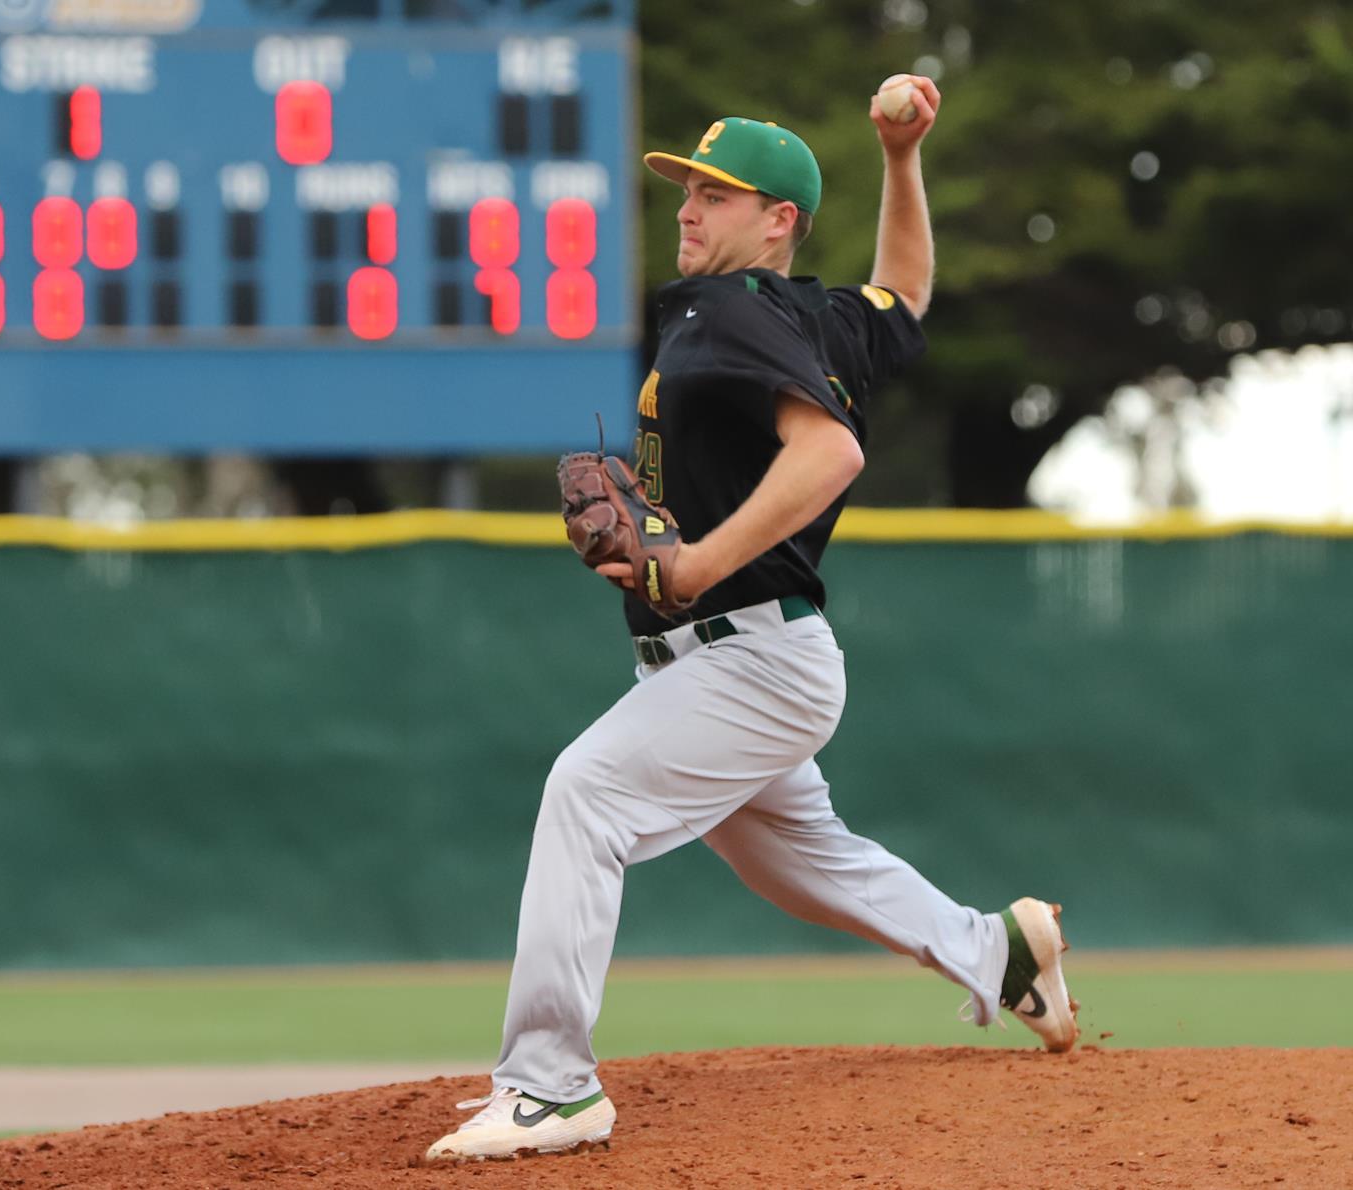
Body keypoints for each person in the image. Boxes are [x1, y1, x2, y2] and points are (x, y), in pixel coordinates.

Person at [423, 79, 1078, 1164]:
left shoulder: (725, 311)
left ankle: (548, 1086)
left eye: (716, 194)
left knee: (583, 793)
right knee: (800, 861)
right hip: (738, 658)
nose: (686, 206)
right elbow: (904, 293)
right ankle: (998, 949)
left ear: (775, 221)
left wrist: (686, 562)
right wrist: (901, 156)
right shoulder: (814, 316)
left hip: (745, 653)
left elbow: (829, 453)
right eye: (685, 187)